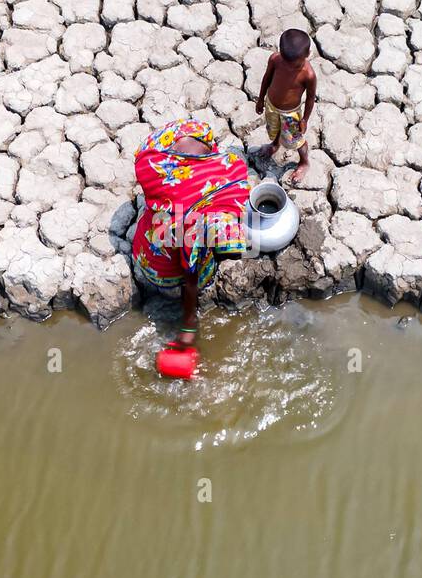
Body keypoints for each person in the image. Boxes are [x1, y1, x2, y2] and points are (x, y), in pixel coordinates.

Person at [131, 118, 250, 347]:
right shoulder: (193, 228)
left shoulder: (152, 164)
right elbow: (190, 277)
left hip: (144, 249)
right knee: (194, 259)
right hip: (161, 273)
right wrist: (188, 324)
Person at [255, 26, 317, 183]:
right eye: (286, 62)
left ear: (307, 55)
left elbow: (310, 98)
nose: (289, 67)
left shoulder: (308, 75)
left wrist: (304, 120)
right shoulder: (275, 59)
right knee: (274, 129)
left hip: (291, 114)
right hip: (271, 105)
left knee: (296, 140)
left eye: (294, 65)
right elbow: (266, 79)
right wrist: (261, 99)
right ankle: (274, 145)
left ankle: (304, 162)